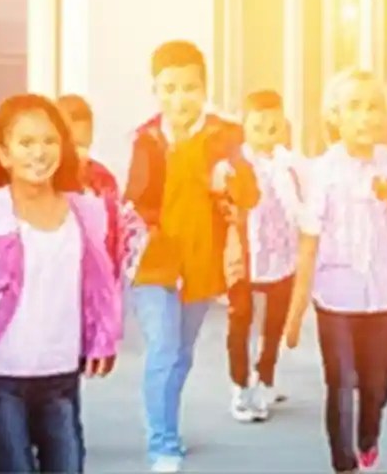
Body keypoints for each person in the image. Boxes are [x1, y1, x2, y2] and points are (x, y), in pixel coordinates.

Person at [0, 94, 121, 474]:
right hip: (1, 375)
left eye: (49, 141)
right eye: (26, 143)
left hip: (60, 373)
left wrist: (103, 338)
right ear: (3, 154)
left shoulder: (83, 211)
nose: (39, 153)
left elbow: (99, 284)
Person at [122, 40, 258, 473]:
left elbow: (250, 193)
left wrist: (227, 176)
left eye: (189, 87)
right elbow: (135, 199)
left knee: (181, 352)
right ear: (155, 90)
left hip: (201, 261)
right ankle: (162, 442)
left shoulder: (224, 136)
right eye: (169, 88)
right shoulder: (147, 140)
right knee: (163, 347)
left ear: (204, 88)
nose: (179, 98)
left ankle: (169, 425)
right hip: (155, 264)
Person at [284, 69, 387, 474]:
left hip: (384, 294)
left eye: (374, 106)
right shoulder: (324, 171)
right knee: (341, 382)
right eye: (355, 107)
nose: (366, 116)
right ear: (336, 116)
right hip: (337, 296)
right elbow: (309, 243)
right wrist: (294, 316)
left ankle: (369, 441)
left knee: (377, 387)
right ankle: (344, 465)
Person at [225, 90, 301, 423]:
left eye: (274, 127)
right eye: (259, 127)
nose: (267, 136)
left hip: (282, 255)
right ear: (244, 126)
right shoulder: (233, 165)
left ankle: (266, 377)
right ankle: (241, 387)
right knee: (240, 320)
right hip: (244, 256)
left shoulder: (289, 163)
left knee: (276, 321)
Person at [55, 94, 131, 275]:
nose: (79, 155)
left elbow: (115, 232)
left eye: (83, 147)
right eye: (71, 147)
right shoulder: (47, 182)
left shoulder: (103, 179)